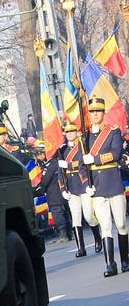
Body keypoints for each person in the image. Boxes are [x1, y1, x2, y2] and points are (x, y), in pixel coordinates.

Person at [83, 96, 127, 276]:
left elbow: (116, 153)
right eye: (92, 112)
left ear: (103, 113)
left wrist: (95, 159)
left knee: (122, 224)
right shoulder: (83, 137)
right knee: (105, 225)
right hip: (97, 186)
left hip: (113, 183)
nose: (94, 115)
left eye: (98, 111)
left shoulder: (113, 132)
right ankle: (110, 264)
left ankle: (125, 259)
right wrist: (87, 183)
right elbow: (81, 163)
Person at [57, 123, 102, 257]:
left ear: (77, 132)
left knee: (88, 216)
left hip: (83, 185)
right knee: (75, 218)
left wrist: (69, 164)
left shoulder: (82, 146)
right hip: (71, 187)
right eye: (68, 132)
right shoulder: (62, 150)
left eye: (73, 131)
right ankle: (80, 248)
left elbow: (83, 163)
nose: (70, 134)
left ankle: (98, 238)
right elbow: (60, 171)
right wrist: (63, 189)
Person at [37, 143, 72, 243]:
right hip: (61, 193)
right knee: (65, 213)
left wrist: (38, 191)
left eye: (39, 154)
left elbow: (44, 182)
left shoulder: (49, 166)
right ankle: (69, 234)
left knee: (58, 214)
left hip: (54, 195)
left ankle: (63, 235)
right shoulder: (57, 162)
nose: (37, 157)